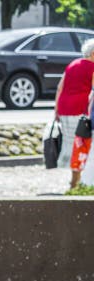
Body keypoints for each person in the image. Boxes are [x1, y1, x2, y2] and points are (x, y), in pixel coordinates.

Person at [54, 38, 94, 188]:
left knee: (72, 145)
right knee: (82, 146)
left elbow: (60, 87)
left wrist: (56, 109)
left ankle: (75, 180)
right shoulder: (92, 68)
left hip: (65, 109)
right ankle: (77, 182)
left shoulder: (72, 64)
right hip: (81, 110)